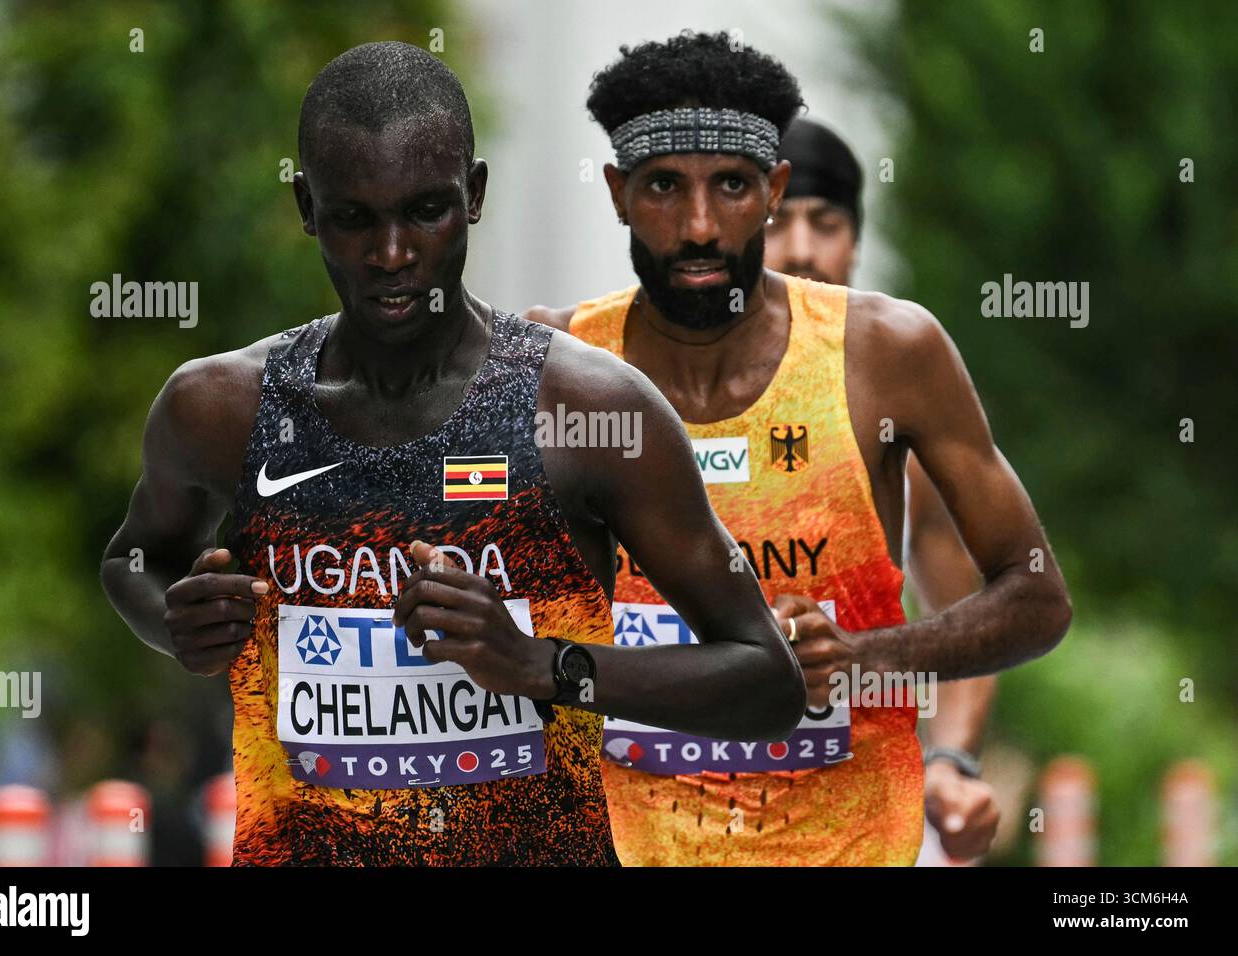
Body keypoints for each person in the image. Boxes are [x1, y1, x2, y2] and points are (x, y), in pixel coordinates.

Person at [100, 40, 805, 866]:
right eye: (355, 217)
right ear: (305, 205)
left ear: (473, 195)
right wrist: (176, 623)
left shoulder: (586, 409)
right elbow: (132, 561)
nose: (392, 254)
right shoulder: (221, 406)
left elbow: (768, 681)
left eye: (424, 211)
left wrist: (544, 665)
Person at [526, 31, 1070, 865]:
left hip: (850, 845)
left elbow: (1036, 601)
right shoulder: (554, 363)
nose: (701, 227)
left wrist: (866, 660)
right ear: (616, 193)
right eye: (665, 186)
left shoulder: (887, 354)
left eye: (733, 186)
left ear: (773, 189)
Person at [765, 116, 1001, 863]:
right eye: (778, 223)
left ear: (856, 241)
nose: (802, 248)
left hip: (871, 816)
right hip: (694, 815)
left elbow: (979, 616)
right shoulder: (661, 409)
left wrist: (950, 763)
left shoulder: (904, 424)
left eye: (826, 222)